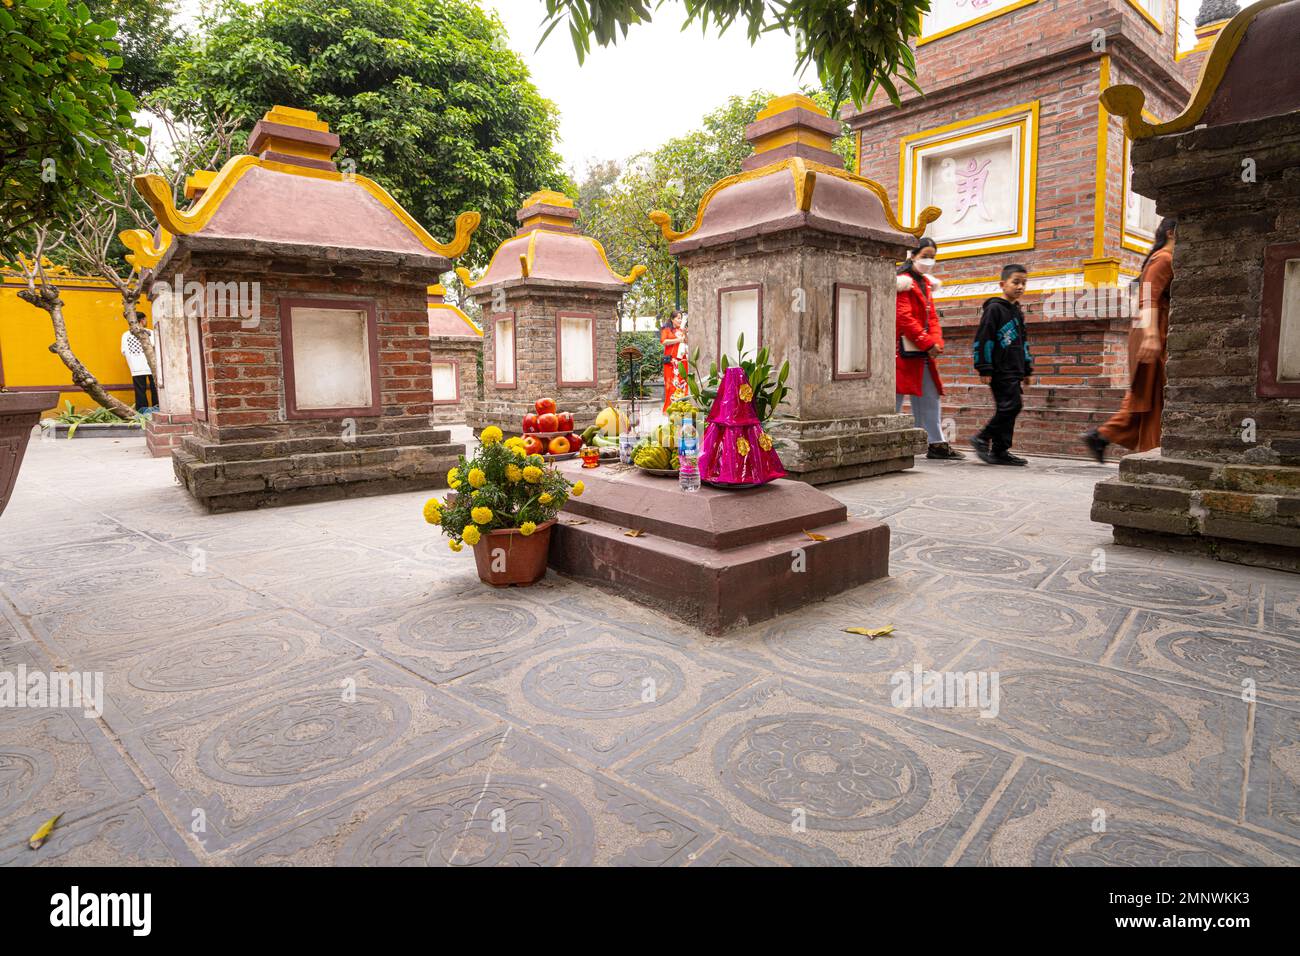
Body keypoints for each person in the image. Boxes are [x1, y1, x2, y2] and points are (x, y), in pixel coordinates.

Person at [1082, 218, 1177, 462]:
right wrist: (1152, 336)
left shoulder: (1164, 259)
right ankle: (1146, 452)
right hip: (1151, 332)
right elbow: (1148, 298)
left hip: (1152, 330)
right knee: (1150, 395)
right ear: (1172, 233)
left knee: (1151, 396)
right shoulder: (1163, 259)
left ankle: (1103, 436)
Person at [895, 236, 964, 459]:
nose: (929, 261)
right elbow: (903, 318)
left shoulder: (925, 284)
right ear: (912, 255)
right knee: (893, 399)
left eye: (932, 257)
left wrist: (936, 343)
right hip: (902, 350)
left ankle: (935, 443)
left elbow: (932, 317)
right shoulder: (903, 281)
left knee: (930, 396)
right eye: (925, 256)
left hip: (921, 350)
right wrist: (928, 342)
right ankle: (886, 439)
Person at [970, 264, 1033, 466]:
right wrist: (984, 367)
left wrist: (1027, 369)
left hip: (1014, 369)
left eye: (1024, 283)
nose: (1020, 287)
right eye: (1016, 282)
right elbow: (983, 339)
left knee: (1008, 408)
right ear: (1002, 283)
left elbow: (1023, 342)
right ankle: (982, 437)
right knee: (1011, 406)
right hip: (998, 369)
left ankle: (1000, 451)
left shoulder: (1016, 311)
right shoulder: (994, 309)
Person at [121, 314, 158, 412]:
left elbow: (124, 351)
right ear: (142, 320)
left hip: (136, 367)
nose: (146, 321)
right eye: (145, 319)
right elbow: (156, 348)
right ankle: (158, 410)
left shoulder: (126, 335)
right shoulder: (150, 333)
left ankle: (142, 412)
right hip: (152, 365)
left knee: (140, 391)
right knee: (156, 389)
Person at [659, 310, 688, 411]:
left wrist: (685, 333)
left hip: (682, 361)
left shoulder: (682, 330)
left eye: (681, 318)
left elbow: (687, 341)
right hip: (671, 362)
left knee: (682, 383)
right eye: (678, 318)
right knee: (671, 385)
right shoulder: (667, 329)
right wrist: (678, 340)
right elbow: (664, 341)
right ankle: (670, 409)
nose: (680, 320)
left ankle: (682, 408)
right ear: (672, 319)